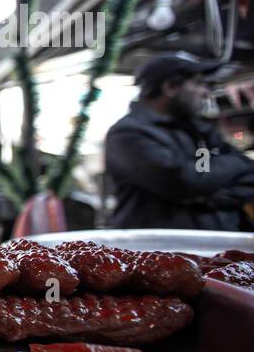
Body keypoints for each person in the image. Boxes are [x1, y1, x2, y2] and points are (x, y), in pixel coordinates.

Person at [105, 54, 254, 230]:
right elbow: (185, 182)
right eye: (198, 83)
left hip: (217, 246)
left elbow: (246, 175)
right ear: (170, 87)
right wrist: (234, 164)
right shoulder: (128, 134)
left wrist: (208, 193)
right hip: (162, 251)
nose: (205, 92)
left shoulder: (199, 131)